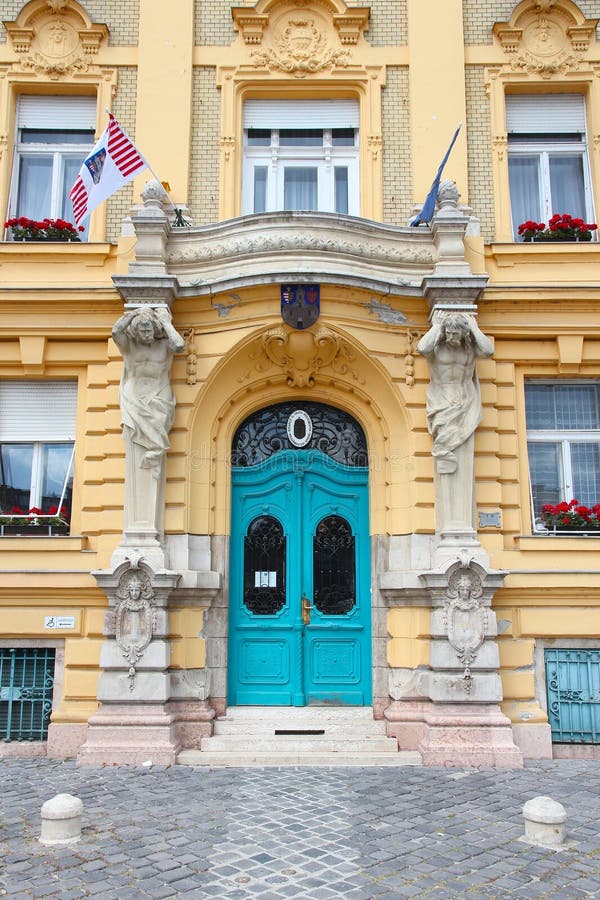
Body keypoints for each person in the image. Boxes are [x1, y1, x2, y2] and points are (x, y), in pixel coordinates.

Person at [418, 312, 493, 474]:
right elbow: (422, 348)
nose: (451, 337)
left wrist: (474, 327)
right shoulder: (436, 348)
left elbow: (488, 351)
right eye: (449, 333)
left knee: (459, 447)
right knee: (443, 446)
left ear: (464, 333)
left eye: (455, 333)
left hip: (466, 401)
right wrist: (437, 325)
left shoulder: (470, 349)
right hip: (441, 401)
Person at [112, 307, 184, 470]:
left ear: (155, 328)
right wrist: (134, 312)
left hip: (159, 395)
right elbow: (116, 331)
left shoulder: (164, 344)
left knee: (159, 431)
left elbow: (179, 345)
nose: (146, 333)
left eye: (149, 329)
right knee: (135, 439)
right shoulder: (129, 346)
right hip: (134, 398)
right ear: (135, 331)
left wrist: (166, 322)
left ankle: (155, 453)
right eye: (142, 330)